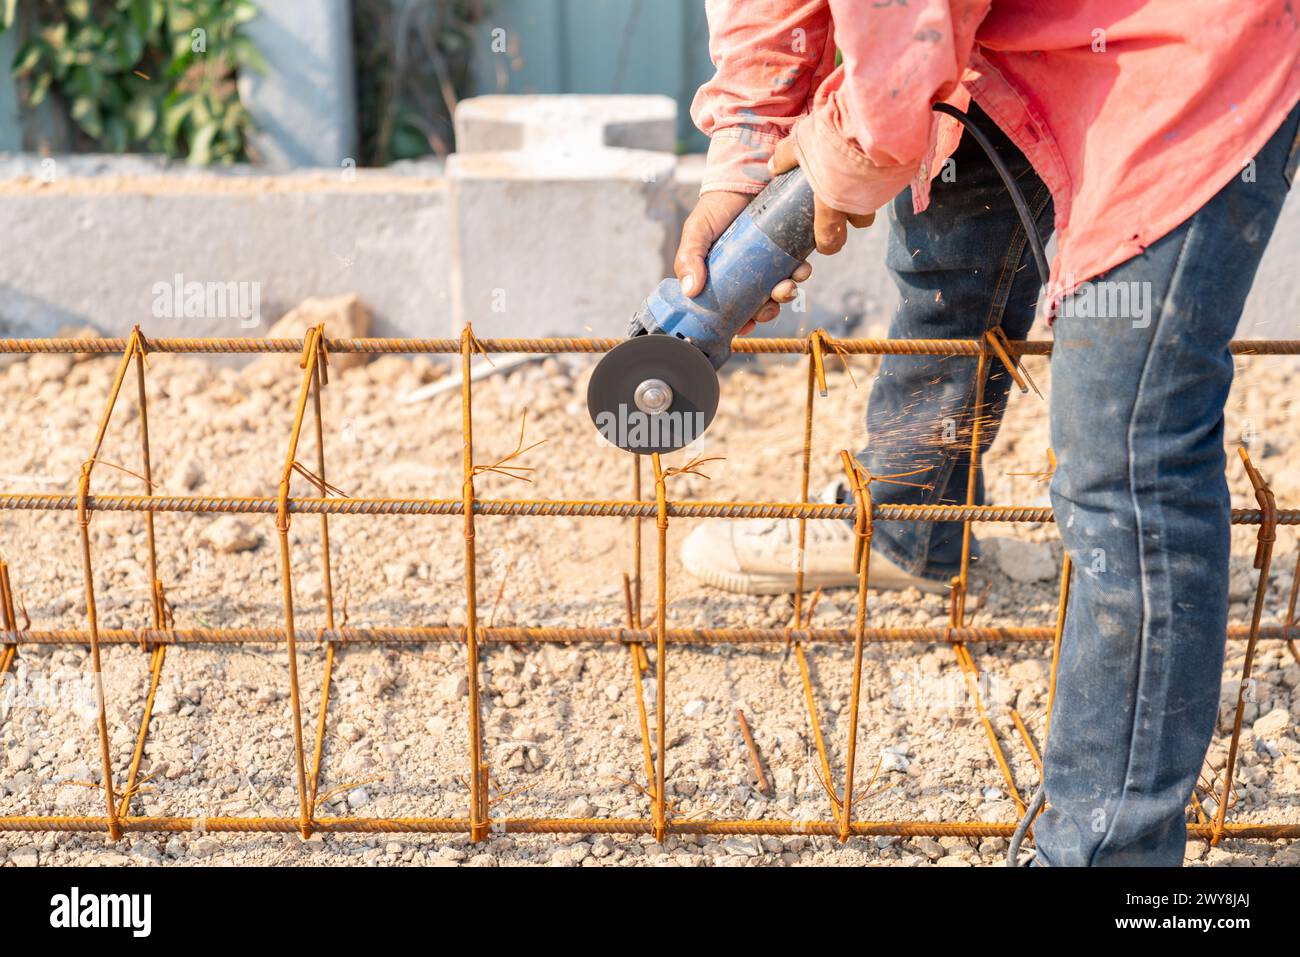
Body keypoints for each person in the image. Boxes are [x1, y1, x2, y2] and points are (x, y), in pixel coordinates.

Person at [675, 0, 1300, 866]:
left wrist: (846, 145)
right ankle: (911, 527)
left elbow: (903, 44)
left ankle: (1108, 857)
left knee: (1124, 451)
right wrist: (744, 161)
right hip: (1013, 26)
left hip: (1190, 44)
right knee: (954, 251)